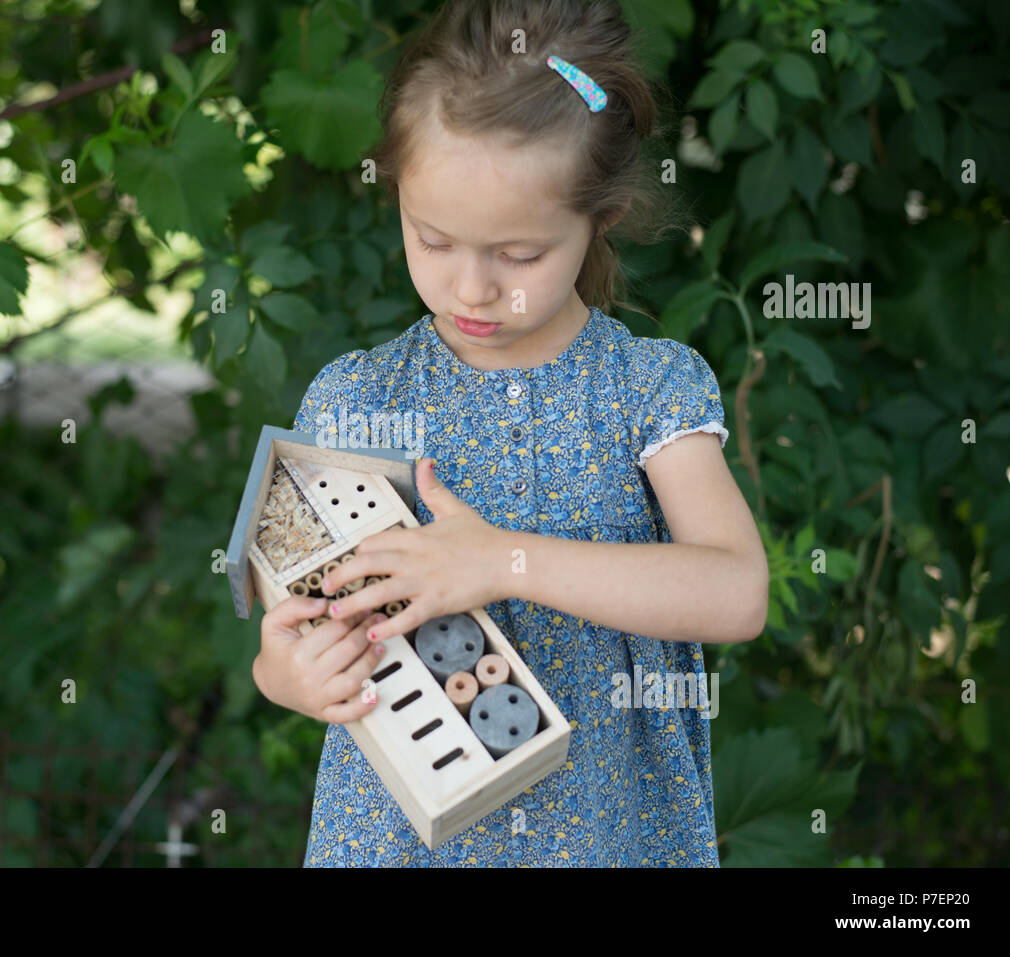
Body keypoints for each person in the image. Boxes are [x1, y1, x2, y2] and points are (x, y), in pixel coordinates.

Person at [252, 0, 769, 866]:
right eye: (433, 239)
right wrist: (289, 677)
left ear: (597, 221)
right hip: (396, 844)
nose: (472, 289)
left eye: (519, 255)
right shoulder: (355, 400)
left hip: (611, 838)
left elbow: (735, 593)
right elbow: (295, 630)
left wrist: (501, 561)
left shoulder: (646, 390)